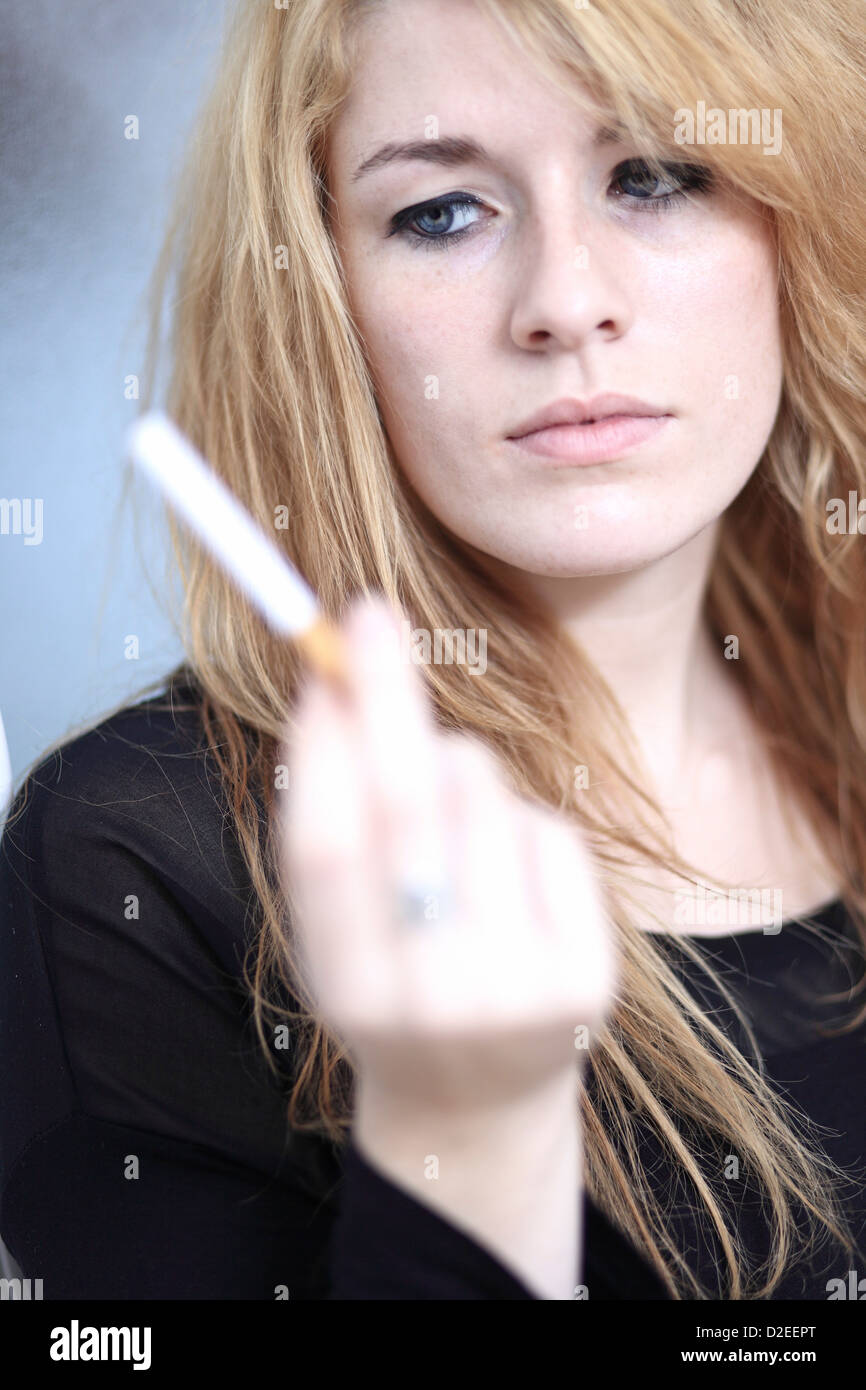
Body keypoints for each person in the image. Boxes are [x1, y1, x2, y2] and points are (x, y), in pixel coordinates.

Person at [2, 0, 865, 1300]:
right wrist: (464, 1139)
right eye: (441, 212)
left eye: (653, 174)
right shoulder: (137, 867)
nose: (567, 303)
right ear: (321, 285)